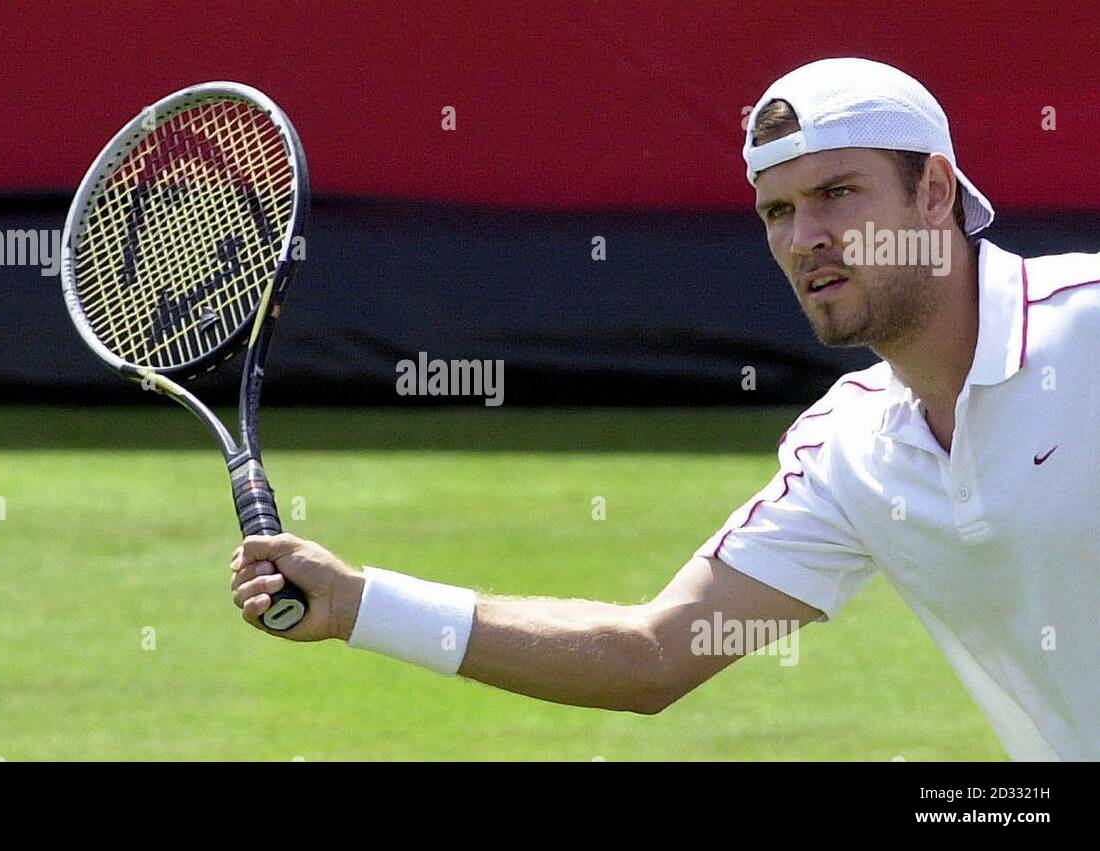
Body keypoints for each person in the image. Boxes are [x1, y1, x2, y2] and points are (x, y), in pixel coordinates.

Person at [231, 58, 1100, 761]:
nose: (806, 239)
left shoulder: (1089, 325)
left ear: (936, 193)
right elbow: (649, 656)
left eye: (839, 194)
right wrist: (357, 604)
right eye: (779, 211)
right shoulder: (848, 450)